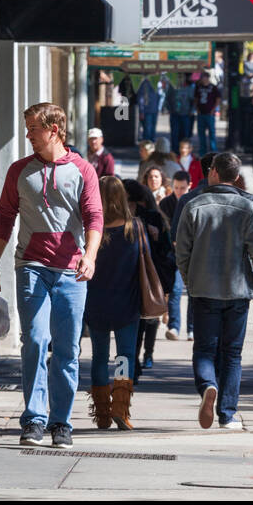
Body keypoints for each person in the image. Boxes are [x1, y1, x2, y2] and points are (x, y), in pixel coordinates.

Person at [0, 102, 103, 449]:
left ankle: (61, 423)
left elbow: (95, 217)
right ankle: (34, 420)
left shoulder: (82, 170)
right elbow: (4, 217)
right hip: (31, 267)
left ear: (54, 130)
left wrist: (90, 256)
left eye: (33, 129)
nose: (27, 135)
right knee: (35, 341)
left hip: (71, 272)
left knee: (66, 349)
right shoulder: (20, 171)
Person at [176, 151, 253, 431]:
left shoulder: (194, 205)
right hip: (237, 290)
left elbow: (182, 251)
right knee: (232, 354)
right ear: (237, 176)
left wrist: (190, 278)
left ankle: (208, 384)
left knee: (205, 349)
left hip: (204, 289)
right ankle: (227, 414)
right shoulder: (248, 208)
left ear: (215, 173)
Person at [85, 176, 143, 431]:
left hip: (96, 301)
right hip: (127, 303)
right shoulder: (134, 228)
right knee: (124, 356)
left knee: (99, 357)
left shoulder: (91, 230)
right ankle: (120, 408)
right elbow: (145, 264)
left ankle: (101, 414)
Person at [123, 179, 176, 379]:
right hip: (123, 281)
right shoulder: (113, 217)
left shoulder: (151, 218)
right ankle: (127, 372)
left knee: (139, 327)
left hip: (141, 280)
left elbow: (165, 250)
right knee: (128, 332)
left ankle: (130, 371)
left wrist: (155, 237)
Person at [162, 172, 193, 340]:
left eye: (182, 188)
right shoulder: (167, 203)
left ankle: (192, 328)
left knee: (193, 291)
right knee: (174, 290)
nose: (179, 191)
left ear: (190, 185)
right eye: (176, 188)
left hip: (191, 252)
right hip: (173, 252)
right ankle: (174, 326)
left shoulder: (194, 201)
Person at [194, 70, 220, 153]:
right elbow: (196, 99)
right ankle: (202, 150)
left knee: (212, 133)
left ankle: (213, 149)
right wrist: (197, 109)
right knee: (201, 133)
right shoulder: (198, 87)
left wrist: (213, 110)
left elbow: (218, 99)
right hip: (201, 113)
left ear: (208, 78)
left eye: (205, 78)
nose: (204, 80)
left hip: (210, 113)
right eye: (202, 78)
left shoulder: (213, 87)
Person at [137, 77, 159, 143]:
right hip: (146, 111)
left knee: (153, 130)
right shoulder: (144, 84)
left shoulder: (157, 84)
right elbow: (140, 99)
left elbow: (158, 97)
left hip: (154, 110)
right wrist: (141, 111)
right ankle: (146, 146)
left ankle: (152, 146)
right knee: (147, 131)